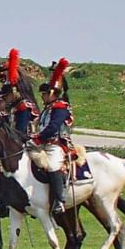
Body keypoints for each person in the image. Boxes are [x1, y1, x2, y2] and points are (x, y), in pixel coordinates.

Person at [30, 60, 76, 218]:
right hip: (43, 144)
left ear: (52, 93)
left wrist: (38, 138)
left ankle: (59, 201)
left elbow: (53, 128)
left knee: (51, 166)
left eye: (44, 94)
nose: (42, 97)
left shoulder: (61, 107)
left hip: (57, 145)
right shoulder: (48, 108)